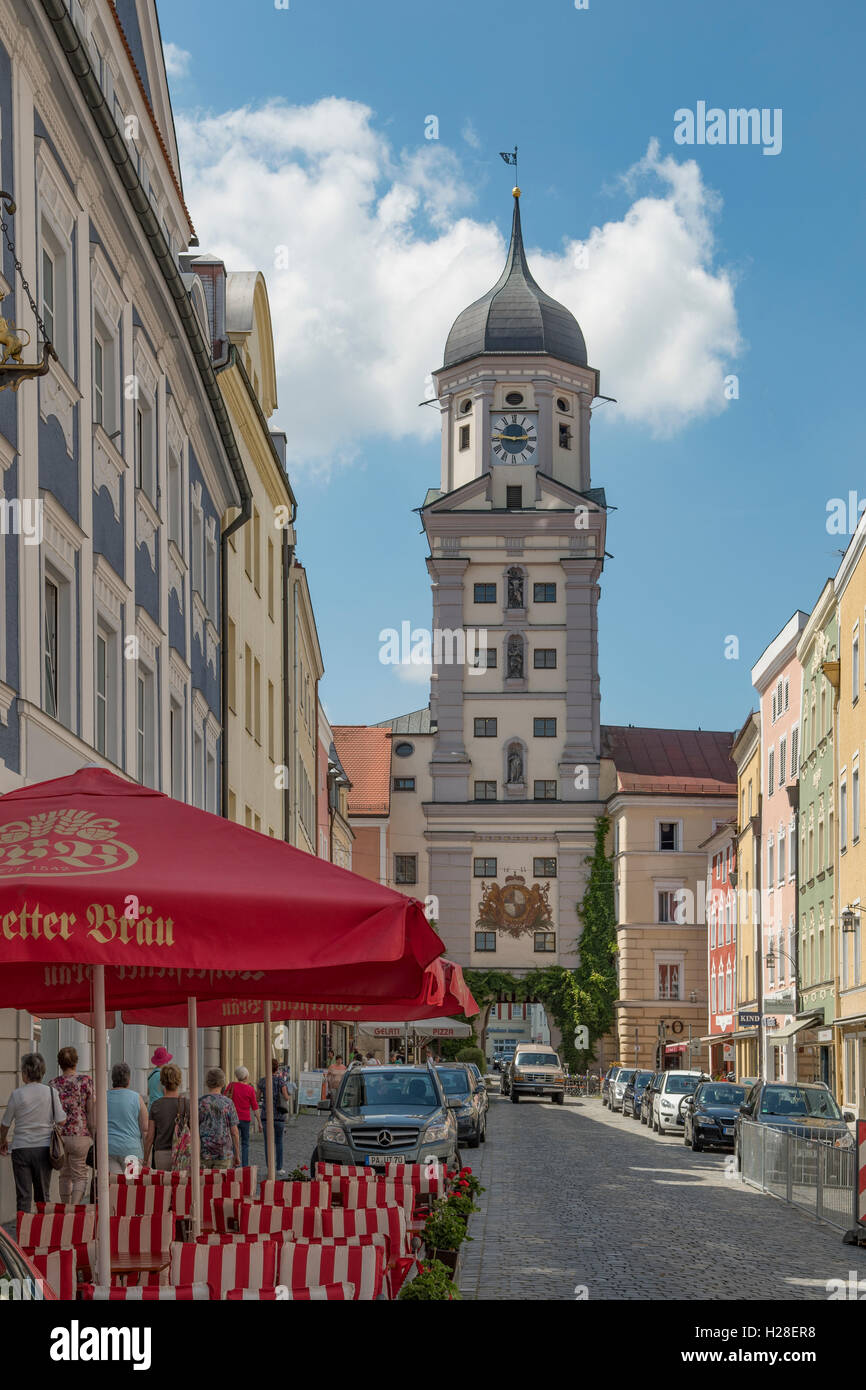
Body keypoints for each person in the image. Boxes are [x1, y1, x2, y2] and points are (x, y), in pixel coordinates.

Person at [0, 1053, 66, 1212]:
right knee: (43, 1196)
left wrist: (2, 1141)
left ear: (25, 1073)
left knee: (23, 1196)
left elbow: (5, 1124)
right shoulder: (51, 1092)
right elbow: (61, 1120)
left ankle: (23, 1227)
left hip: (21, 1149)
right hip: (44, 1148)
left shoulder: (17, 1094)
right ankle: (43, 1226)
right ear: (42, 1072)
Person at [49, 1046, 94, 1204]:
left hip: (60, 1136)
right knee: (80, 1176)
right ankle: (74, 1209)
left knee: (64, 1175)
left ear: (59, 1063)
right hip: (80, 1134)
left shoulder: (53, 1084)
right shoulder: (85, 1081)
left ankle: (65, 1207)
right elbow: (90, 1111)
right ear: (76, 1062)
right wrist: (93, 1134)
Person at [105, 1062, 148, 1174]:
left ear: (112, 1079)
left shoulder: (103, 1097)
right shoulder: (137, 1098)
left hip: (108, 1149)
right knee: (131, 1183)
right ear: (128, 1080)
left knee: (113, 1183)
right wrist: (147, 1156)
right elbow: (145, 1129)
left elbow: (94, 1124)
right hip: (132, 1151)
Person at [143, 1063, 184, 1171]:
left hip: (161, 1154)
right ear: (179, 1081)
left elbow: (150, 1137)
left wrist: (145, 1160)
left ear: (162, 1082)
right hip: (182, 1153)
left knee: (163, 1182)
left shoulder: (156, 1105)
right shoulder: (186, 1104)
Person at [199, 1067, 240, 1170]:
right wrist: (237, 1154)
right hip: (224, 1153)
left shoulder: (200, 1102)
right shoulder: (228, 1103)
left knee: (204, 1180)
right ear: (222, 1083)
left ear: (207, 1082)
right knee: (221, 1180)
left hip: (204, 1153)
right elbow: (234, 1132)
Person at [257, 1059, 290, 1173]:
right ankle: (279, 1167)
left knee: (268, 1143)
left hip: (266, 1115)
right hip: (279, 1116)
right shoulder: (280, 1080)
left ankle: (269, 1167)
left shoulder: (262, 1081)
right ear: (277, 1068)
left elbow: (257, 1098)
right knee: (279, 1142)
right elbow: (286, 1097)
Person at [224, 1065, 260, 1167]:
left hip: (232, 1119)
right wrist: (259, 1122)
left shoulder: (231, 1085)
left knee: (234, 1142)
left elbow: (224, 1098)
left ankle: (235, 1164)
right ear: (246, 1076)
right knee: (245, 1144)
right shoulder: (250, 1089)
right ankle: (245, 1166)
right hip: (245, 1119)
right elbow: (255, 1107)